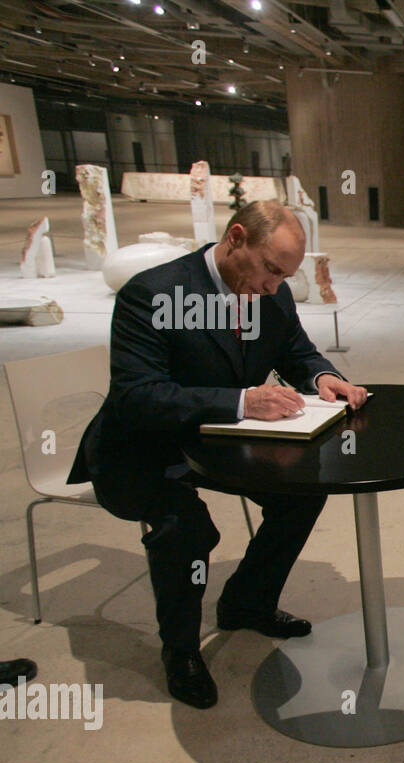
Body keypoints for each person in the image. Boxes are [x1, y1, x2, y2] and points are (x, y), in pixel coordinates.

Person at [67, 200, 369, 710]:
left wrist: (324, 377)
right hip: (140, 449)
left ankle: (246, 604)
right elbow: (137, 396)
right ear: (235, 239)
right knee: (187, 528)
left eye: (286, 276)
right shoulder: (154, 294)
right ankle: (180, 652)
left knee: (301, 495)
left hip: (221, 444)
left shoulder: (269, 292)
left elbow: (295, 348)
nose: (276, 286)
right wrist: (240, 401)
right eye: (272, 270)